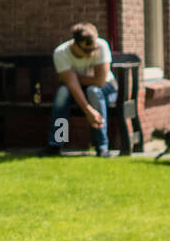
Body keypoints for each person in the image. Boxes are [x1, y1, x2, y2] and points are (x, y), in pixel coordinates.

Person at [41, 21, 118, 156]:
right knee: (62, 94)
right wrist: (88, 110)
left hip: (106, 88)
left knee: (93, 91)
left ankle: (101, 146)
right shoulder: (61, 53)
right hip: (77, 90)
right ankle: (56, 143)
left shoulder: (102, 46)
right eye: (86, 50)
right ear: (75, 44)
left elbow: (100, 81)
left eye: (93, 49)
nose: (91, 54)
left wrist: (73, 77)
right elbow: (72, 85)